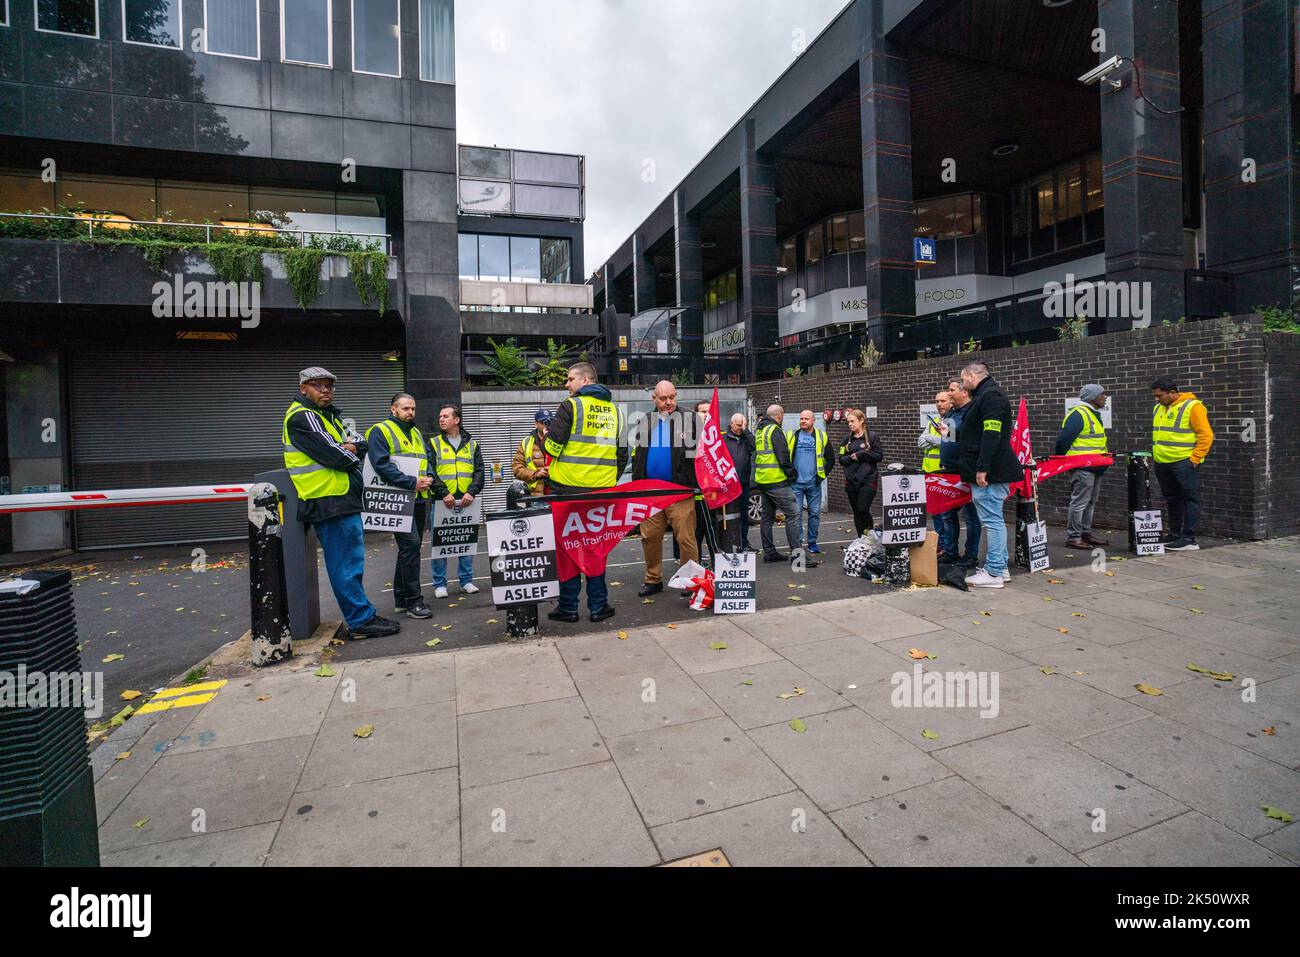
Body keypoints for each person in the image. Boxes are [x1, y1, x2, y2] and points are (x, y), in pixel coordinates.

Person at [282, 368, 399, 638]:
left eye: (329, 386)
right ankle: (360, 621)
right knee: (346, 563)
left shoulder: (325, 416)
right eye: (317, 385)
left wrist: (350, 446)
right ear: (303, 389)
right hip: (329, 500)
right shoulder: (304, 417)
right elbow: (340, 457)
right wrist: (348, 449)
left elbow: (359, 441)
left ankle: (361, 616)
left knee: (350, 561)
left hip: (338, 499)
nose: (325, 390)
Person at [544, 361, 628, 622]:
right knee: (594, 547)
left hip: (566, 492)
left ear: (586, 381)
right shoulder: (617, 412)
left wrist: (549, 442)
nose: (567, 384)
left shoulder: (571, 405)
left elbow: (552, 448)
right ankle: (598, 606)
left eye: (570, 379)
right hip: (601, 493)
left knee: (566, 547)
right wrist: (605, 478)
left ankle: (568, 608)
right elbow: (622, 455)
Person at [366, 393, 435, 619]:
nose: (411, 413)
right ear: (393, 409)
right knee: (412, 545)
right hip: (396, 498)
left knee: (409, 549)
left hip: (417, 497)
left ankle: (402, 599)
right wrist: (411, 482)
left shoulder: (415, 431)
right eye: (406, 408)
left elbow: (425, 458)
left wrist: (429, 476)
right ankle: (414, 601)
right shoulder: (380, 430)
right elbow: (380, 464)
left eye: (413, 409)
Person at [957, 362, 1024, 588]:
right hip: (991, 469)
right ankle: (1000, 568)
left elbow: (991, 434)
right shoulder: (987, 395)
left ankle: (994, 572)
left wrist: (982, 467)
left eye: (963, 378)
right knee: (994, 518)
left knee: (992, 520)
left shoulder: (991, 397)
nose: (962, 383)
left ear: (973, 375)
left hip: (990, 472)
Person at [630, 380, 698, 597]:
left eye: (672, 397)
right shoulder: (645, 421)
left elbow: (704, 453)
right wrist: (637, 486)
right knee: (649, 537)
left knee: (686, 538)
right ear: (654, 399)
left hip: (680, 491)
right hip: (651, 492)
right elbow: (638, 457)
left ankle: (690, 580)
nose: (669, 402)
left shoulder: (689, 419)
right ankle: (653, 579)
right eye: (663, 398)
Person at [1151, 377, 1214, 551]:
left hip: (1183, 462)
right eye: (1155, 396)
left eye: (1159, 395)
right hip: (1162, 462)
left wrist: (1194, 459)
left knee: (1189, 499)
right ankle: (1174, 534)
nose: (1156, 399)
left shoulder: (1193, 407)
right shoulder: (1158, 408)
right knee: (1172, 499)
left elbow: (1206, 435)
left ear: (1172, 392)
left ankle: (1189, 539)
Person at [429, 403, 484, 599]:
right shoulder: (434, 443)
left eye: (445, 416)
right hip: (443, 500)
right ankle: (439, 584)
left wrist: (472, 492)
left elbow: (479, 471)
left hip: (466, 500)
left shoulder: (472, 444)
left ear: (456, 420)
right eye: (440, 417)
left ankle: (466, 581)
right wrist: (443, 492)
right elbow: (430, 471)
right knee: (441, 543)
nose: (441, 419)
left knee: (465, 541)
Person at [754, 404, 815, 566]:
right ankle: (798, 557)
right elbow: (783, 457)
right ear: (779, 416)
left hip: (763, 480)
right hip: (776, 481)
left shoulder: (760, 430)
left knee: (766, 518)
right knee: (794, 513)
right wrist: (792, 474)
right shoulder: (775, 430)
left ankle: (769, 552)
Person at [1055, 384, 1111, 550]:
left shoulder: (1092, 414)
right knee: (1080, 503)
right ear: (1093, 397)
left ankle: (1085, 533)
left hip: (1096, 465)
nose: (1105, 397)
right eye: (1102, 394)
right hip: (1083, 467)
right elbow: (1062, 441)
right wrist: (1062, 461)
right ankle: (1074, 537)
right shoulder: (1078, 414)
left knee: (1091, 502)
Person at [941, 378, 981, 568]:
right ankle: (950, 552)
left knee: (971, 516)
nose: (948, 394)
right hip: (948, 471)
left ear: (964, 392)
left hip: (964, 471)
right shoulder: (952, 413)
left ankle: (971, 555)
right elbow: (952, 439)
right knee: (948, 514)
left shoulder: (972, 412)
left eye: (952, 390)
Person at [787, 410, 836, 554]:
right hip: (796, 483)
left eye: (806, 419)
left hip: (813, 483)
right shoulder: (791, 435)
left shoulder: (821, 436)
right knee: (797, 514)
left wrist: (821, 476)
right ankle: (798, 544)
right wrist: (791, 475)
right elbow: (785, 457)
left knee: (814, 513)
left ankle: (812, 542)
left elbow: (831, 459)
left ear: (813, 420)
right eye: (801, 418)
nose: (803, 421)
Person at [919, 390, 957, 561]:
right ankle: (940, 544)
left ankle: (949, 548)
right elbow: (919, 442)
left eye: (942, 400)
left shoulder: (952, 420)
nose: (939, 404)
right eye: (937, 401)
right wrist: (937, 440)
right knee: (935, 512)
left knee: (946, 515)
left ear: (951, 401)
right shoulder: (932, 423)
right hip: (929, 472)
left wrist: (933, 440)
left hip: (945, 473)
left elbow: (950, 442)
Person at [838, 409, 884, 536]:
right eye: (848, 422)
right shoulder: (846, 439)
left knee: (863, 508)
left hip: (868, 480)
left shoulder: (872, 437)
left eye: (852, 421)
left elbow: (879, 456)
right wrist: (851, 457)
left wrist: (861, 454)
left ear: (861, 420)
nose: (850, 424)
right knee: (857, 512)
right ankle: (861, 538)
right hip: (851, 481)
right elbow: (841, 458)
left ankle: (869, 536)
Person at [723, 413, 757, 550]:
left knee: (744, 516)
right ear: (731, 424)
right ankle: (729, 544)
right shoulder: (724, 439)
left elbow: (754, 446)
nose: (740, 428)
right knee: (729, 517)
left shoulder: (746, 438)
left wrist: (746, 430)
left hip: (743, 484)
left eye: (742, 425)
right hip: (729, 485)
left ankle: (743, 543)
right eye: (738, 425)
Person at [513, 409, 554, 494]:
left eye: (550, 422)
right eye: (543, 422)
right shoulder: (526, 443)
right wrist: (536, 474)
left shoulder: (558, 441)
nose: (546, 425)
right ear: (536, 424)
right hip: (535, 494)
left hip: (556, 493)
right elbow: (517, 468)